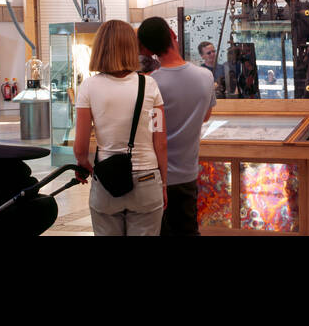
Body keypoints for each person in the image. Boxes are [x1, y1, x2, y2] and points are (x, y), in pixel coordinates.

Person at [73, 19, 166, 236]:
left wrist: (85, 165)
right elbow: (160, 141)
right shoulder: (149, 85)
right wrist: (163, 183)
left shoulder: (88, 87)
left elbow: (80, 148)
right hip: (147, 178)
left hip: (106, 180)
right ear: (131, 47)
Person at [137, 17, 215, 237]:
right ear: (172, 33)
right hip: (188, 173)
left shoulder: (150, 83)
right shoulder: (205, 76)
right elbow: (206, 116)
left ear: (149, 50)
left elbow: (150, 129)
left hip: (156, 176)